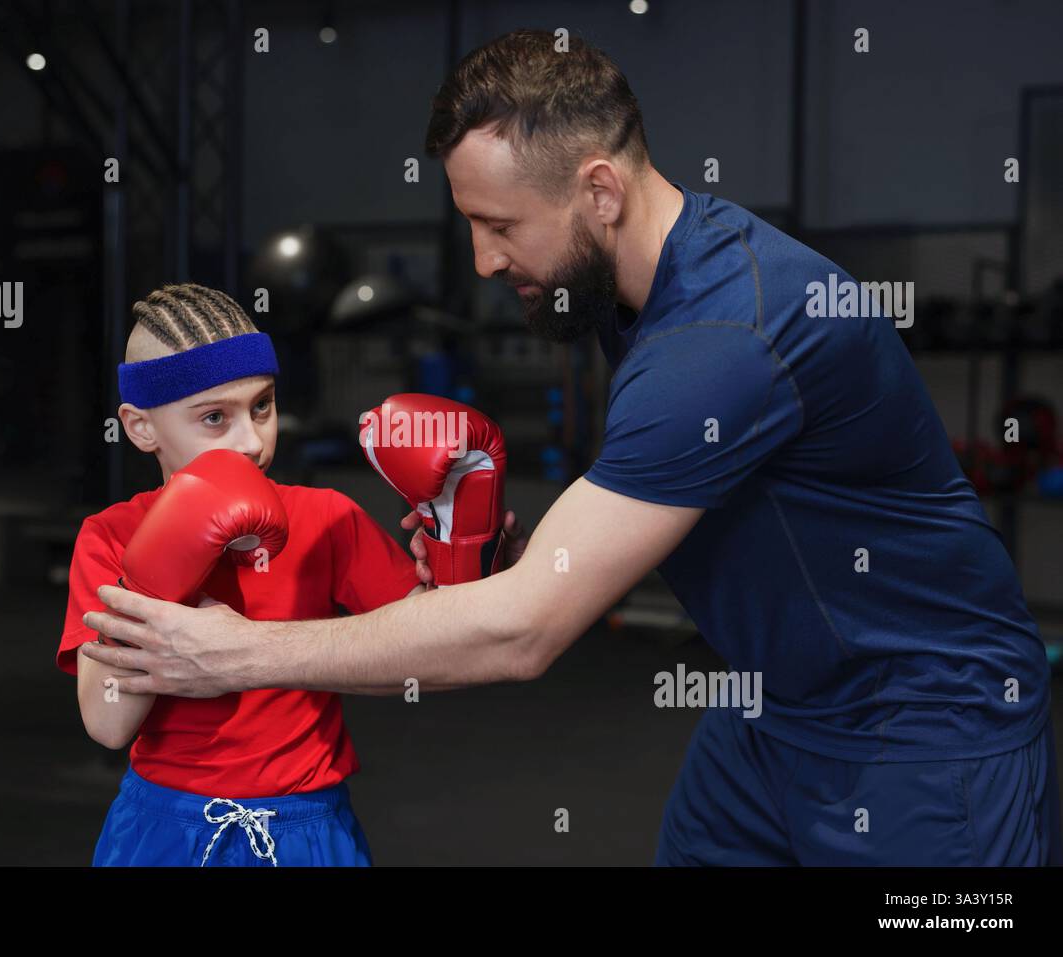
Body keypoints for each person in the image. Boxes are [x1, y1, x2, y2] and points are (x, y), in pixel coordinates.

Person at [83, 31, 1060, 865]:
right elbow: (596, 539)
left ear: (598, 189)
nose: (483, 259)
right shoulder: (632, 288)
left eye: (499, 226)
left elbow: (525, 631)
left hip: (923, 725)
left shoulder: (725, 339)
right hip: (770, 708)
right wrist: (480, 545)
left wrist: (242, 653)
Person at [57, 282, 425, 866]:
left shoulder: (326, 518)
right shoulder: (111, 535)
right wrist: (161, 566)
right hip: (163, 826)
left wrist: (465, 542)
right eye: (213, 417)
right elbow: (107, 723)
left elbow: (433, 652)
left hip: (306, 825)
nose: (251, 440)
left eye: (262, 405)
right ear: (140, 427)